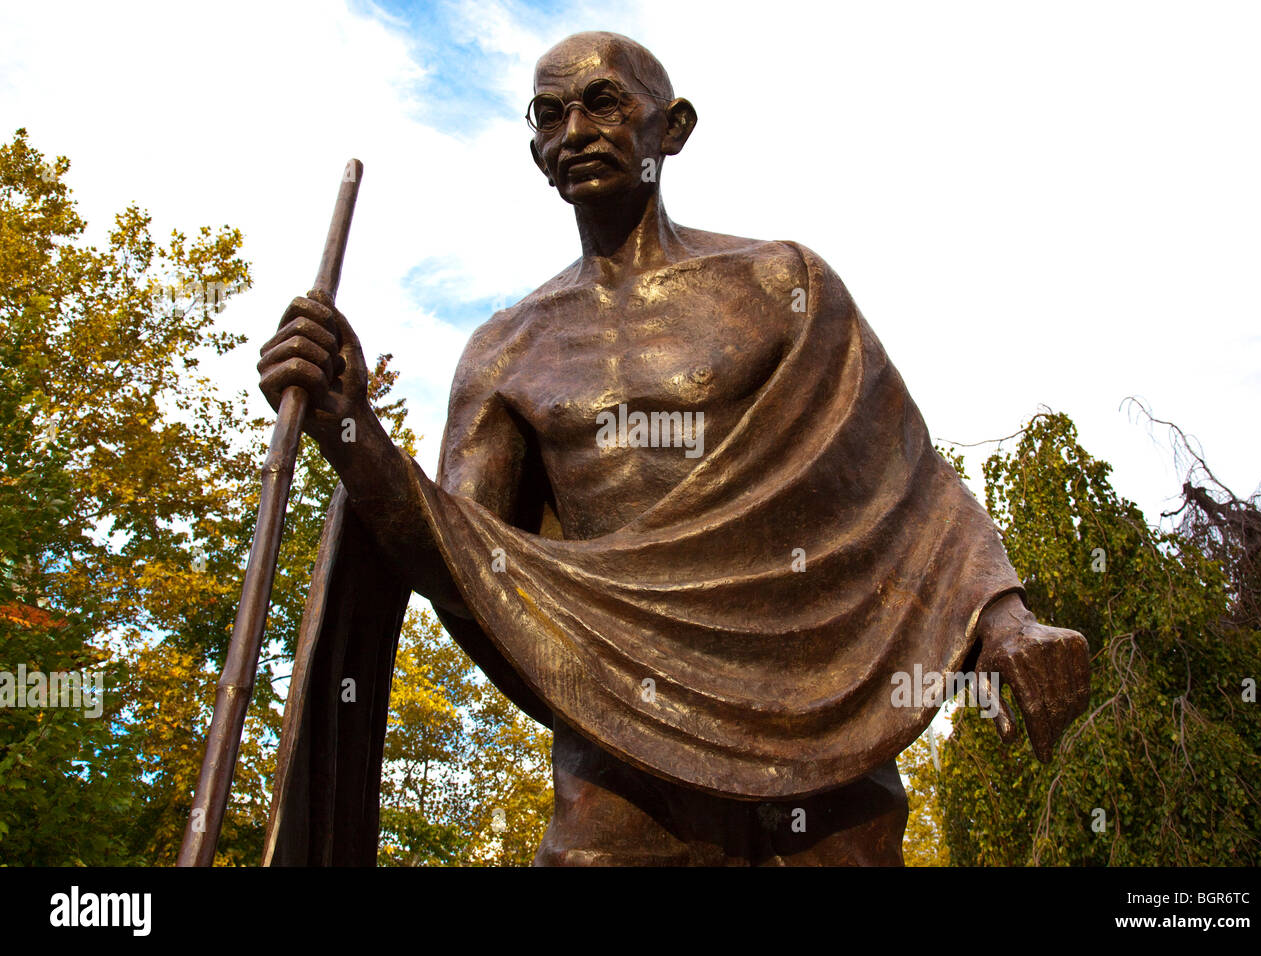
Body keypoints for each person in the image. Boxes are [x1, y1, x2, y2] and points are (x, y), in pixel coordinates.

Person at [257, 31, 1090, 866]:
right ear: (536, 150)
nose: (574, 130)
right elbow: (464, 562)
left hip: (818, 721)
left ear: (674, 126)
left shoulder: (782, 285)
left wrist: (1004, 619)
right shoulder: (506, 353)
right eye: (550, 115)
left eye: (603, 102)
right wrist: (347, 423)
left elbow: (910, 485)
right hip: (621, 743)